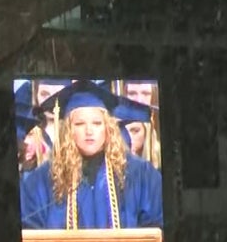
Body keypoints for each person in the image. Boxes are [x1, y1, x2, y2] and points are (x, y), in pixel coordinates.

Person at [19, 81, 163, 230]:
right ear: (68, 130)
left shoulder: (141, 175)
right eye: (79, 124)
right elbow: (29, 232)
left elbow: (156, 230)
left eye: (97, 123)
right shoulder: (43, 179)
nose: (89, 131)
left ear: (108, 128)